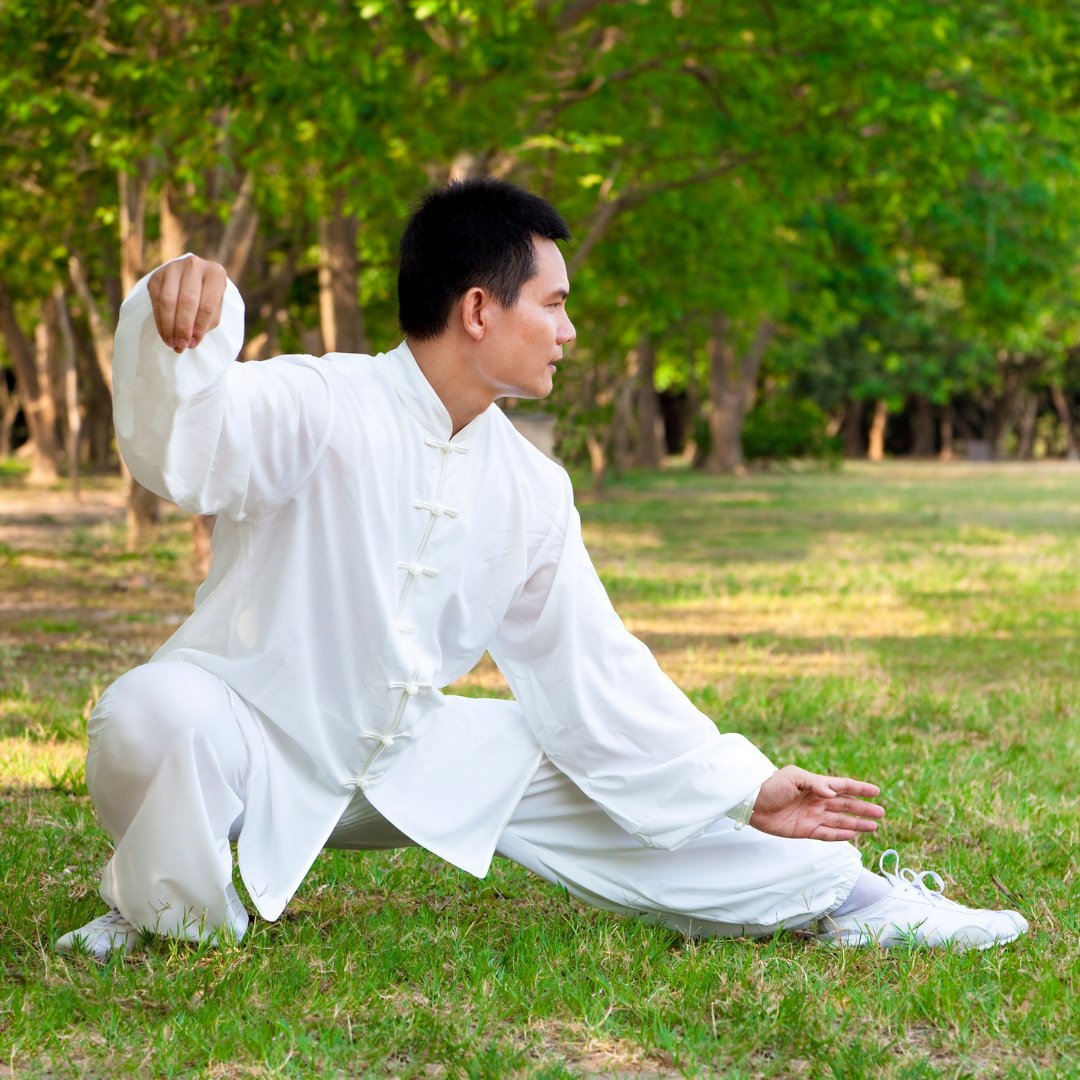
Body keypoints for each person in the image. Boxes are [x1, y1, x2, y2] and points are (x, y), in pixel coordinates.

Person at [58, 179, 1027, 959]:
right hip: (247, 743)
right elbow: (185, 443)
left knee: (587, 760)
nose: (568, 331)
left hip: (407, 755)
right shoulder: (321, 401)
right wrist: (173, 313)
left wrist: (748, 785)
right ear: (479, 309)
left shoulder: (530, 487)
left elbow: (595, 674)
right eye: (554, 304)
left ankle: (853, 898)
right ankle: (160, 917)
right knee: (153, 713)